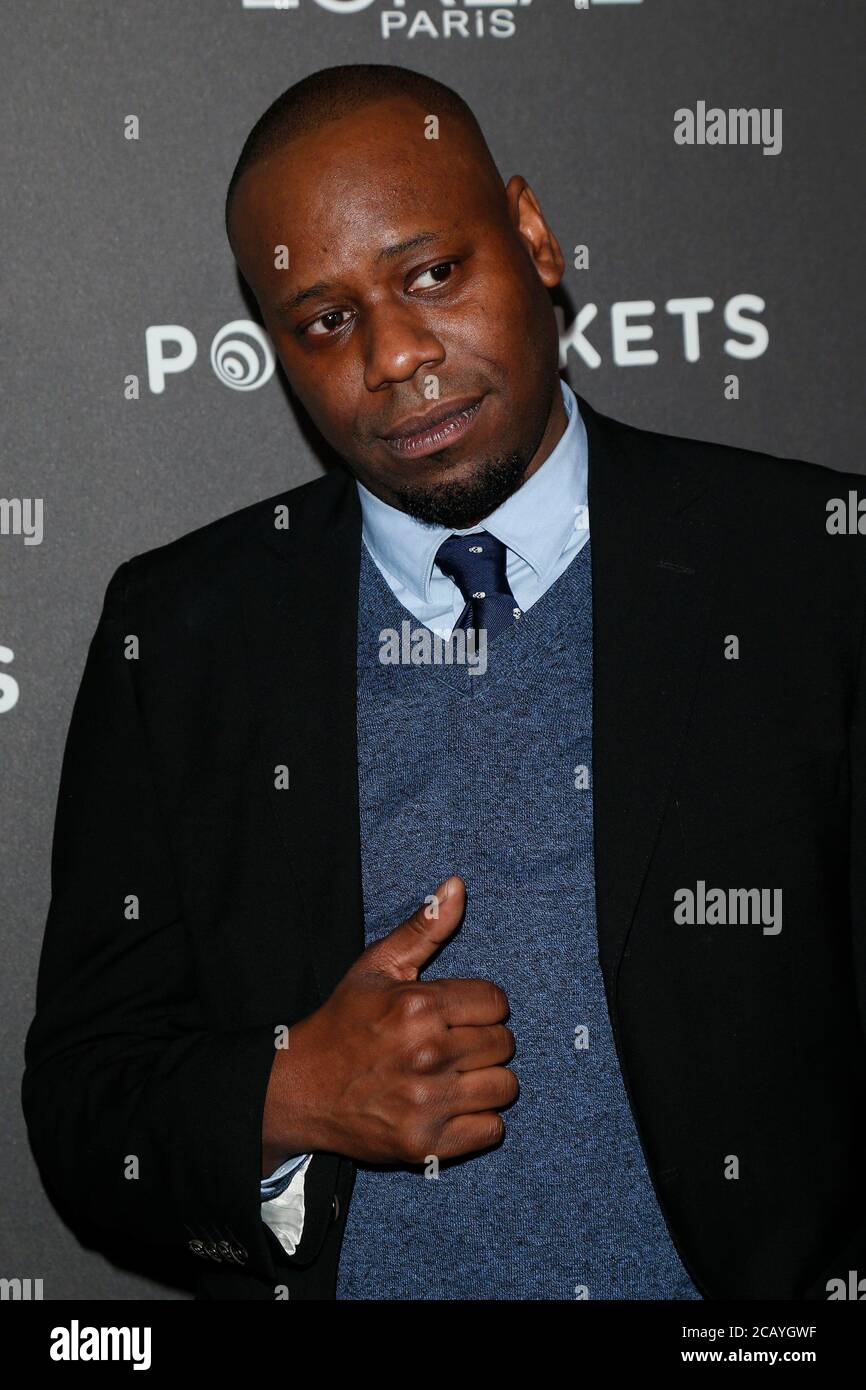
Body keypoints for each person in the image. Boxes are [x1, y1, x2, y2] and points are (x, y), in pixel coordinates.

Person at [22, 63, 866, 1302]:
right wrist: (287, 1092)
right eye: (323, 320)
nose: (397, 356)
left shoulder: (811, 566)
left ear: (529, 234)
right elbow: (88, 1103)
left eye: (430, 274)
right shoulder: (182, 632)